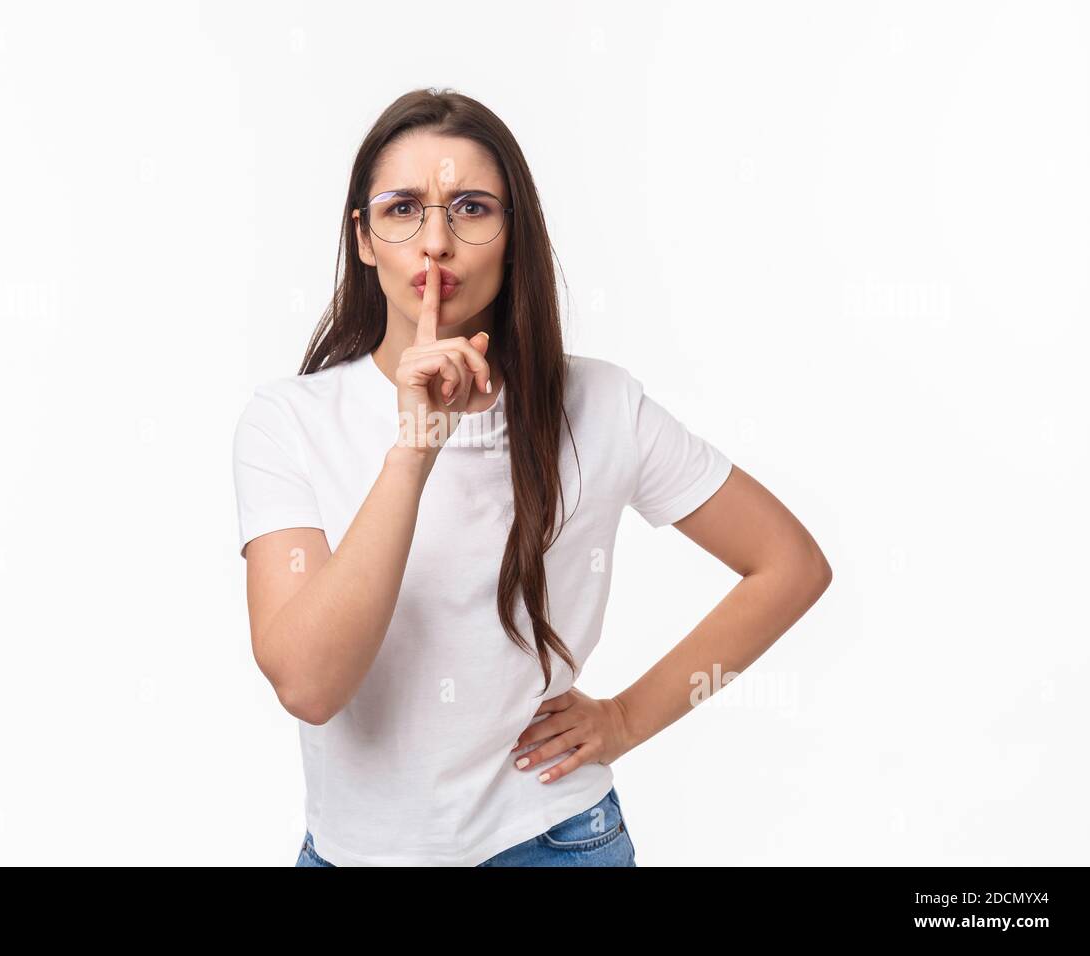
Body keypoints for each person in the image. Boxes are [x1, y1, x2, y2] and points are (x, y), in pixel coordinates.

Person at [234, 88, 832, 867]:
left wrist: (623, 719)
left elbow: (790, 566)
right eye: (404, 208)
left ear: (514, 237)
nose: (436, 242)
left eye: (472, 208)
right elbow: (311, 687)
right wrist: (415, 448)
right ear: (364, 238)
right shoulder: (288, 422)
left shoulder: (603, 404)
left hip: (550, 842)